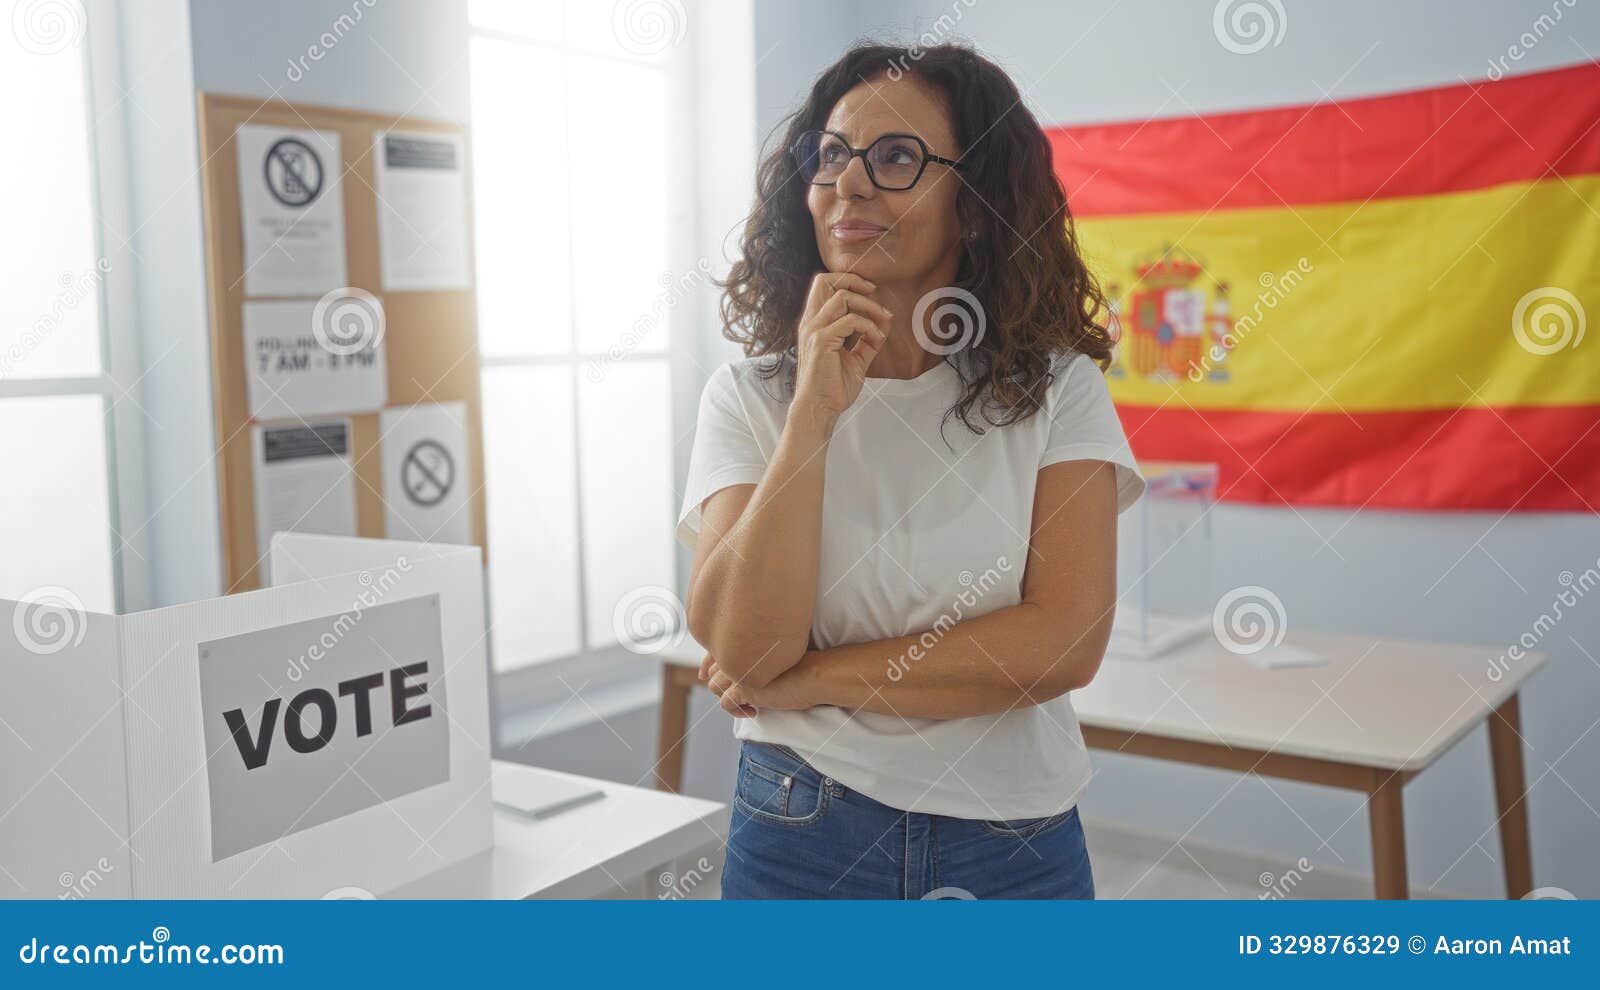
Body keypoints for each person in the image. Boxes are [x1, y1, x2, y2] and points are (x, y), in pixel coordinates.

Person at [676, 42, 1145, 899]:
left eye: (896, 158)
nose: (849, 184)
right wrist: (812, 412)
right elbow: (742, 644)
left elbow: (1061, 645)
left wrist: (808, 678)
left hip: (1013, 836)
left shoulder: (1059, 389)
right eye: (832, 156)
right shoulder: (749, 395)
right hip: (799, 823)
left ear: (975, 204)